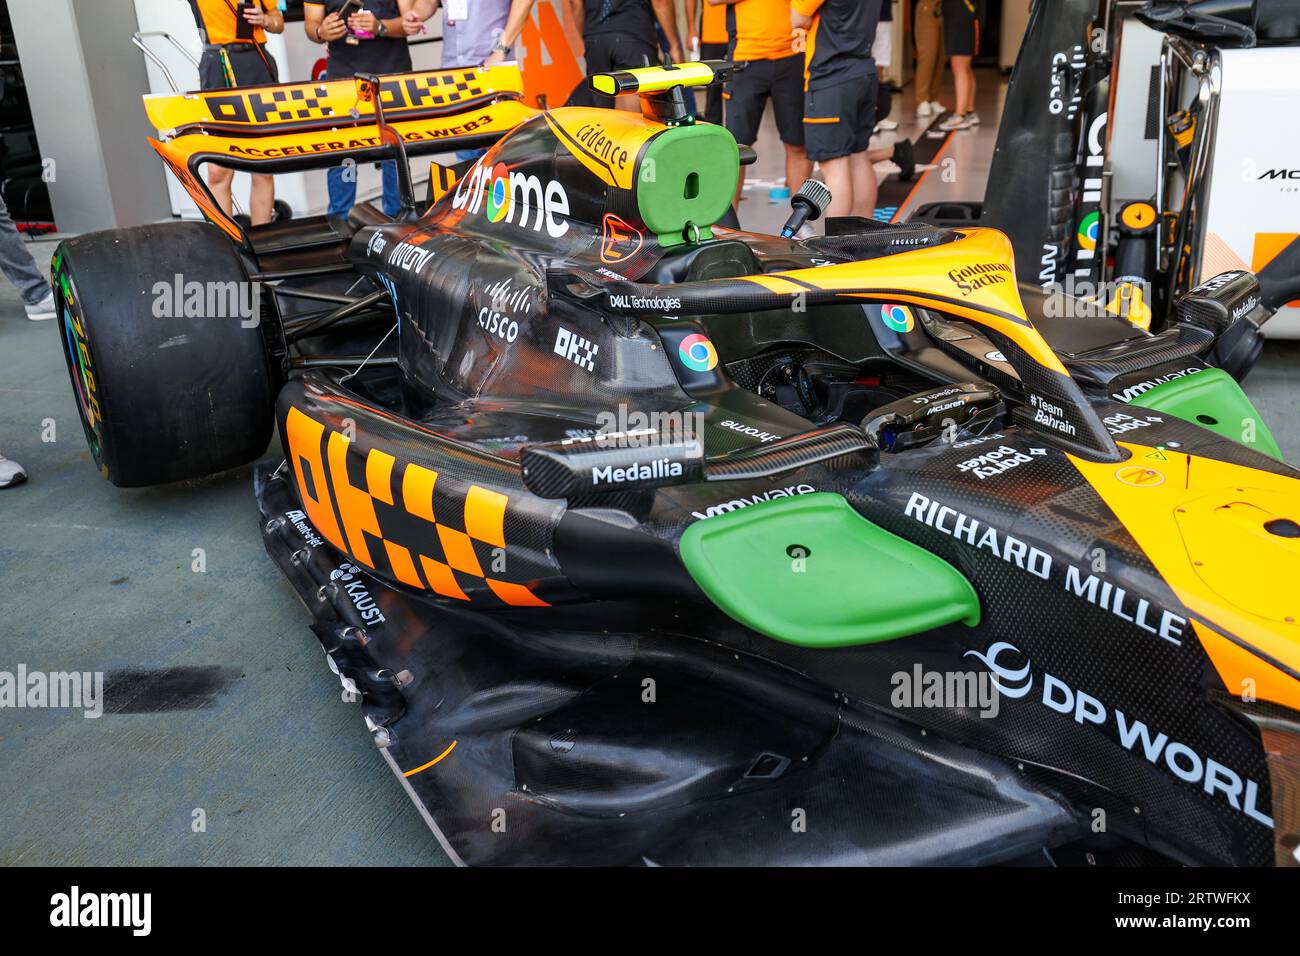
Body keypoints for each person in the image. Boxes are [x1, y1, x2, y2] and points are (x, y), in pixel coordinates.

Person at [304, 1, 425, 217]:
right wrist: (321, 31)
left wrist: (380, 26)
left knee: (393, 152)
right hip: (343, 78)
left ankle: (396, 221)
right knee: (345, 155)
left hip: (391, 73)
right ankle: (340, 223)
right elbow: (311, 25)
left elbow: (409, 22)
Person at [189, 0, 285, 225]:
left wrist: (266, 20)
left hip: (257, 63)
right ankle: (227, 248)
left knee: (263, 164)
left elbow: (278, 22)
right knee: (218, 171)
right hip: (218, 65)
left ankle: (263, 242)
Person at [712, 0, 809, 208]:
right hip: (745, 59)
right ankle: (729, 230)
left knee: (798, 145)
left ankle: (802, 229)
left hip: (794, 54)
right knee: (735, 149)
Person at [791, 0, 883, 220]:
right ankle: (861, 238)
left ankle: (837, 244)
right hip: (863, 71)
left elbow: (797, 19)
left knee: (834, 166)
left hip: (831, 77)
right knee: (858, 157)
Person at [570, 0, 684, 109]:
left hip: (596, 39)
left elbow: (575, 3)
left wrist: (588, 38)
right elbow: (661, 2)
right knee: (630, 121)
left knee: (604, 115)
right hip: (633, 36)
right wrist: (674, 45)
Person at [937, 0, 982, 130]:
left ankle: (960, 115)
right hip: (962, 14)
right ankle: (969, 111)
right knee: (965, 67)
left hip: (962, 15)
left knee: (960, 65)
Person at [694, 0, 728, 124]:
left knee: (741, 85)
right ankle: (713, 130)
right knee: (713, 86)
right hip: (711, 32)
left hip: (742, 33)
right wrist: (692, 29)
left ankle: (736, 131)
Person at [913, 0, 946, 118]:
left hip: (945, 8)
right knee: (928, 55)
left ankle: (933, 98)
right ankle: (922, 99)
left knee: (941, 57)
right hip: (928, 6)